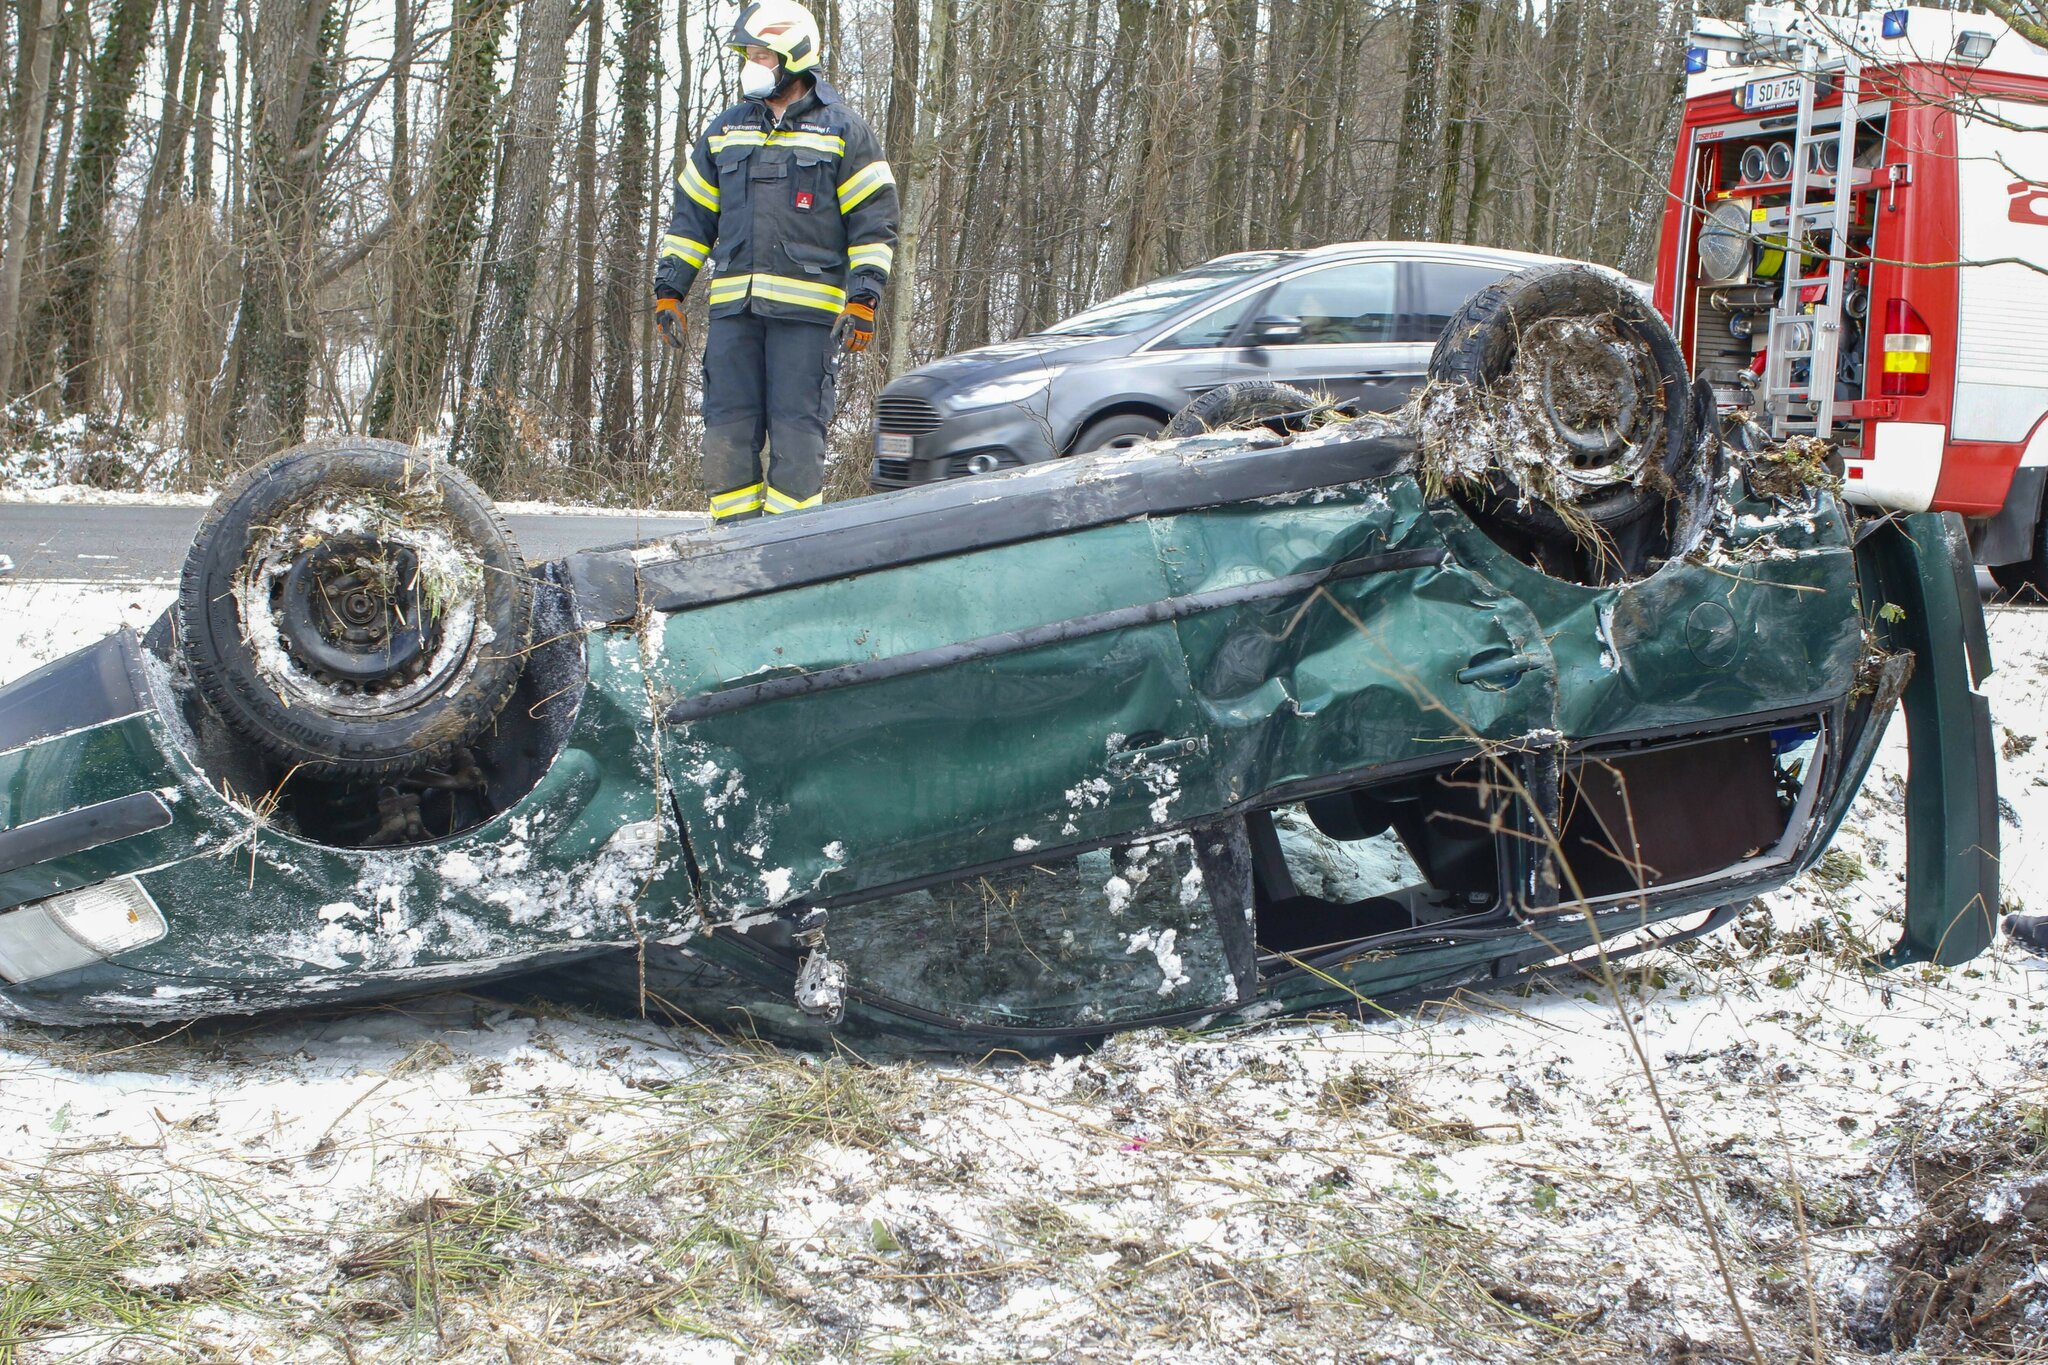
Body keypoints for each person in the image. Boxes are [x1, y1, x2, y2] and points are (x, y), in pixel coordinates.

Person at [653, 0, 898, 523]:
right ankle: (733, 550)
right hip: (733, 317)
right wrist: (670, 289)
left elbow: (874, 227)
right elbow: (691, 217)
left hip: (806, 322)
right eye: (749, 53)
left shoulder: (844, 132)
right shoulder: (726, 130)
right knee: (726, 431)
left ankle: (790, 554)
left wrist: (864, 299)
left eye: (762, 54)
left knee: (798, 437)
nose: (752, 63)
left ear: (794, 57)